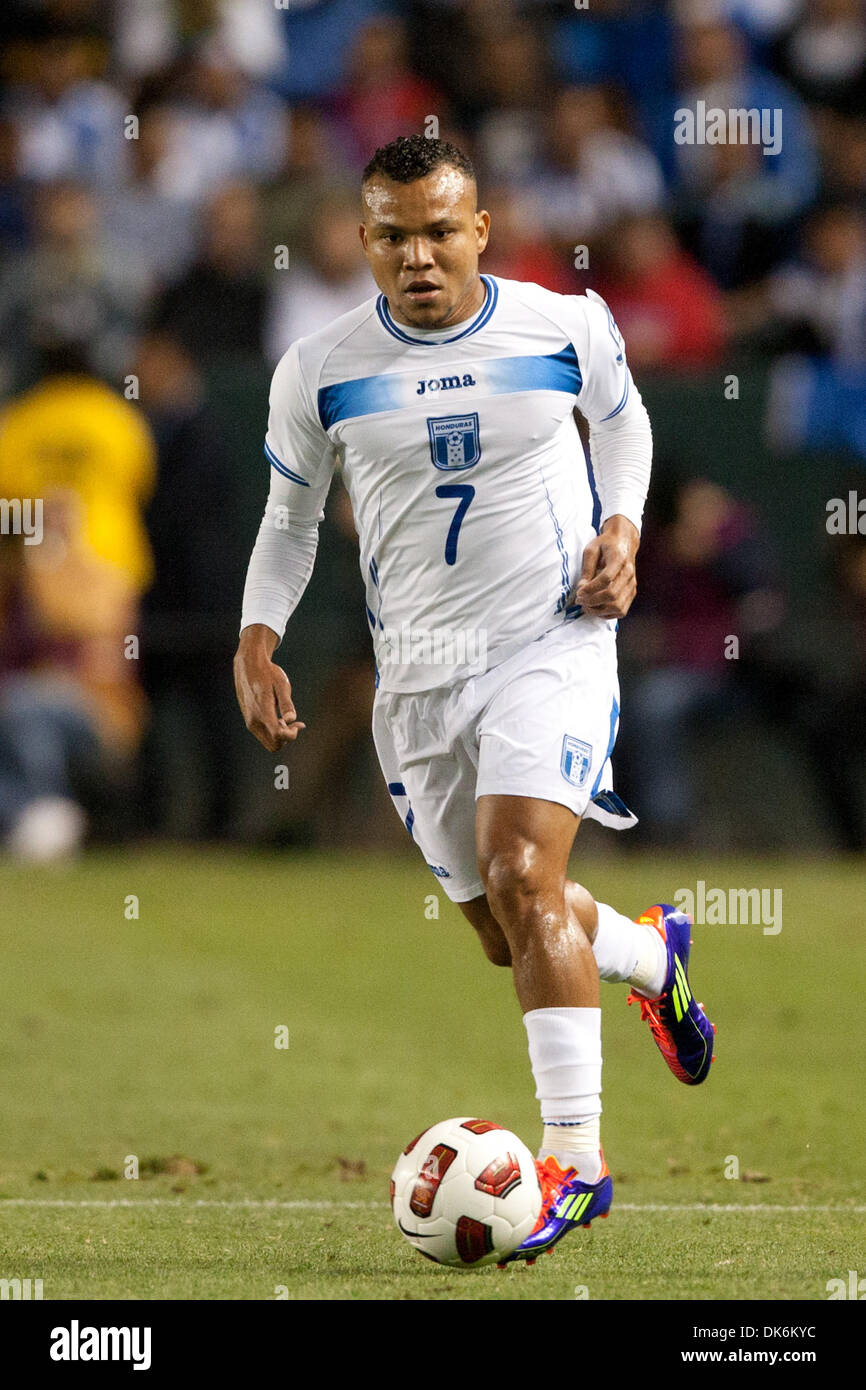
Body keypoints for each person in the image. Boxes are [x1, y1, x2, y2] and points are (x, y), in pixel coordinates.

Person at [233, 136, 715, 1263]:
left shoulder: (562, 326)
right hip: (417, 679)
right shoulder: (318, 367)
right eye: (392, 236)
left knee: (520, 871)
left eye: (439, 231)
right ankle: (652, 957)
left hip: (549, 643)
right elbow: (288, 520)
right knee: (509, 931)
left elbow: (626, 422)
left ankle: (576, 1166)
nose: (417, 256)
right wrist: (257, 640)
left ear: (481, 231)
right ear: (360, 242)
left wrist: (621, 529)